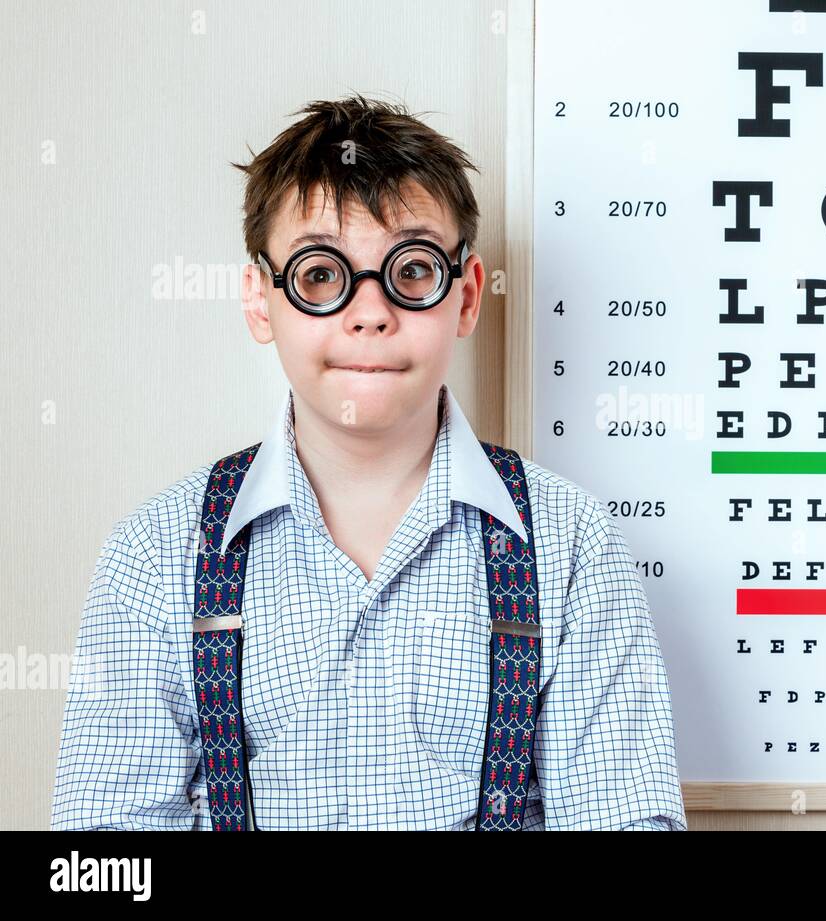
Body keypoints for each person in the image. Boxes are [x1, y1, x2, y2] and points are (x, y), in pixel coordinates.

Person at [51, 94, 686, 830]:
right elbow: (103, 847)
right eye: (321, 274)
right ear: (261, 300)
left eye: (411, 269)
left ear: (467, 295)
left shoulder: (572, 543)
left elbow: (626, 819)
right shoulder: (155, 554)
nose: (370, 310)